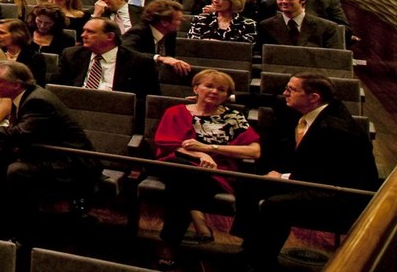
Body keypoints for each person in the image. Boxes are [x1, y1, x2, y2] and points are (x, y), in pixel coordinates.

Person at [241, 75, 379, 272]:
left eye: (291, 90)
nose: (285, 93)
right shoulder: (315, 107)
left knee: (275, 205)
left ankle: (263, 263)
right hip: (314, 181)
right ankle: (249, 251)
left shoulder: (334, 129)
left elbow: (325, 175)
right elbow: (272, 99)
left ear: (313, 97)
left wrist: (282, 177)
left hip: (342, 193)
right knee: (249, 185)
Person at [0, 62, 93, 230]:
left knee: (17, 170)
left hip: (69, 160)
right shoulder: (24, 96)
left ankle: (24, 226)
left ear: (16, 84)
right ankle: (2, 216)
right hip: (45, 152)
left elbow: (21, 133)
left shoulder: (37, 101)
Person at [148, 70, 259, 256]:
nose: (214, 91)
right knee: (180, 169)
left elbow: (254, 151)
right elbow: (166, 143)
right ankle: (195, 219)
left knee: (182, 185)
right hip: (174, 163)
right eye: (209, 86)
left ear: (226, 96)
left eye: (221, 89)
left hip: (214, 172)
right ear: (196, 89)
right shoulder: (176, 111)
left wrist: (210, 149)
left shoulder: (233, 117)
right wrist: (200, 155)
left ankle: (170, 243)